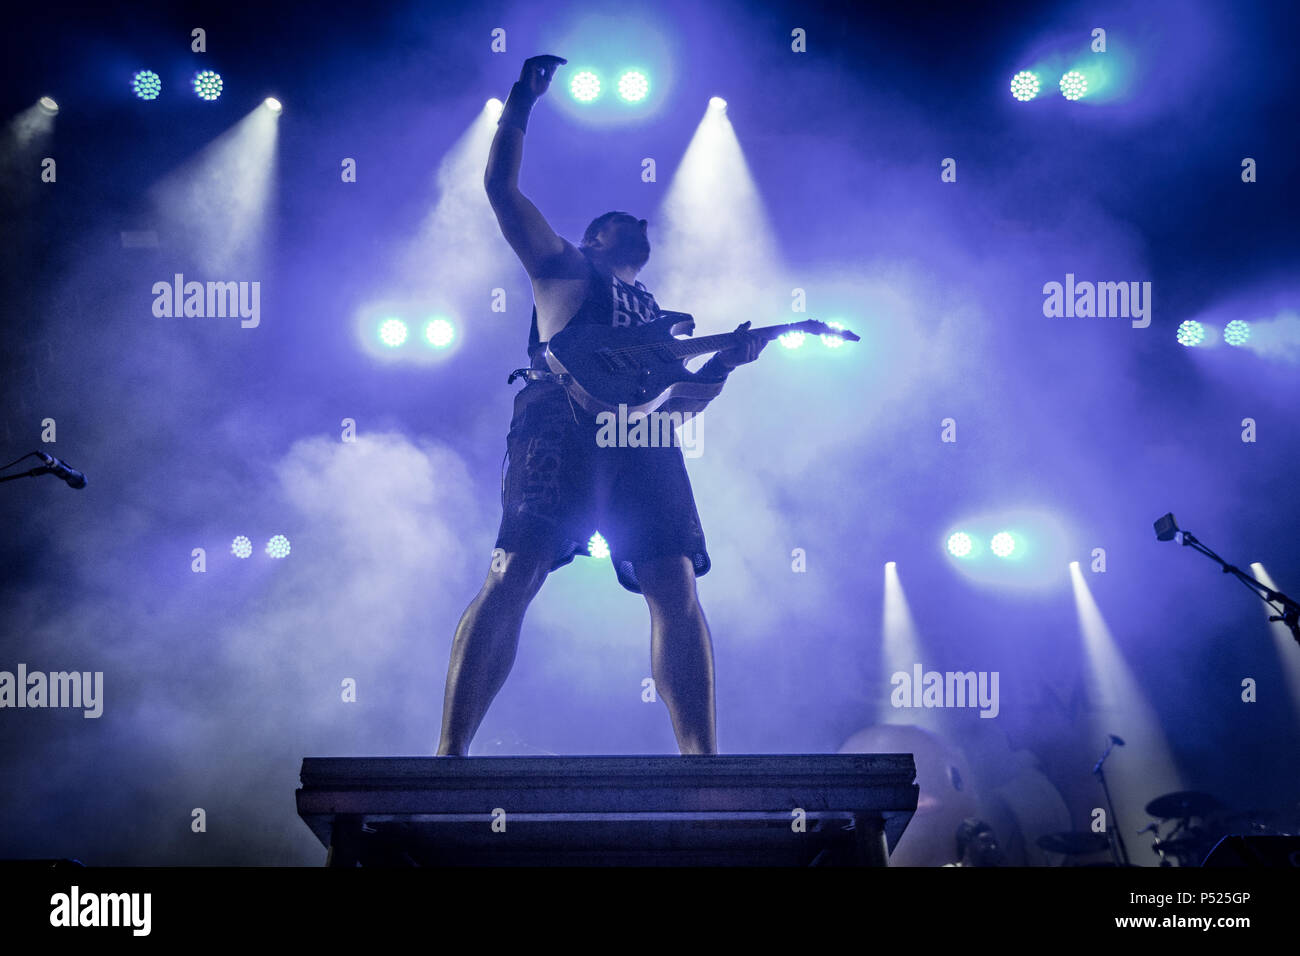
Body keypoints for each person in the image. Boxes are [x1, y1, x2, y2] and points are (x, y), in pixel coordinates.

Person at [435, 55, 766, 757]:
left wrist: (724, 366)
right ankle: (450, 755)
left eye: (638, 219)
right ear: (593, 238)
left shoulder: (656, 313)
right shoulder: (563, 265)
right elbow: (499, 187)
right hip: (560, 416)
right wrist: (521, 103)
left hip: (641, 435)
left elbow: (679, 406)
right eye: (617, 218)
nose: (635, 217)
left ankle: (701, 760)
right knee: (514, 568)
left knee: (673, 579)